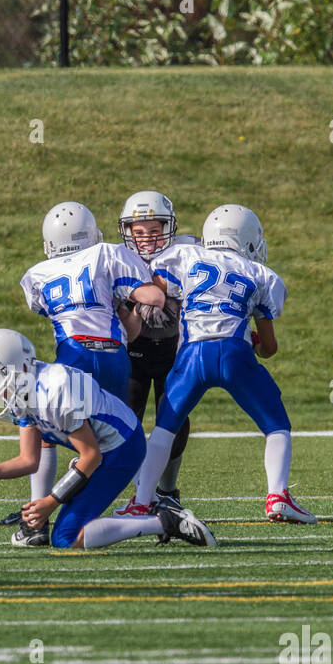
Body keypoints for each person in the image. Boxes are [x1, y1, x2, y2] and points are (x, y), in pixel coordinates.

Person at [121, 203, 317, 524]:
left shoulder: (185, 256)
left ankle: (142, 502)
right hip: (235, 353)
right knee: (276, 425)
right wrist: (250, 340)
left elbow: (155, 288)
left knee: (165, 427)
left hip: (192, 354)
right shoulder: (262, 275)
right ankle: (278, 496)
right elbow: (268, 347)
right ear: (248, 239)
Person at [0, 328, 215, 550]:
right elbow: (28, 460)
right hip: (97, 452)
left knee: (66, 538)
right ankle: (81, 489)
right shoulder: (24, 395)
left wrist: (51, 501)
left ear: (20, 369)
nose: (2, 399)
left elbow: (91, 456)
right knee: (67, 525)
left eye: (2, 388)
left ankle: (164, 521)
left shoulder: (54, 390)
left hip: (121, 448)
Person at [12, 201, 166, 545]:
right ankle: (136, 505)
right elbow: (152, 299)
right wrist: (126, 299)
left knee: (46, 431)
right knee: (109, 437)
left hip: (74, 356)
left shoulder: (37, 274)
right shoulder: (106, 254)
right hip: (114, 356)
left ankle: (37, 523)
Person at [118, 190, 196, 504]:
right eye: (139, 232)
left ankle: (167, 489)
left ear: (169, 228)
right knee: (126, 418)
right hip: (133, 351)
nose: (147, 239)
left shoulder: (188, 254)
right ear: (127, 233)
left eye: (154, 231)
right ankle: (143, 493)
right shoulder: (118, 257)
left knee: (175, 418)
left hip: (173, 350)